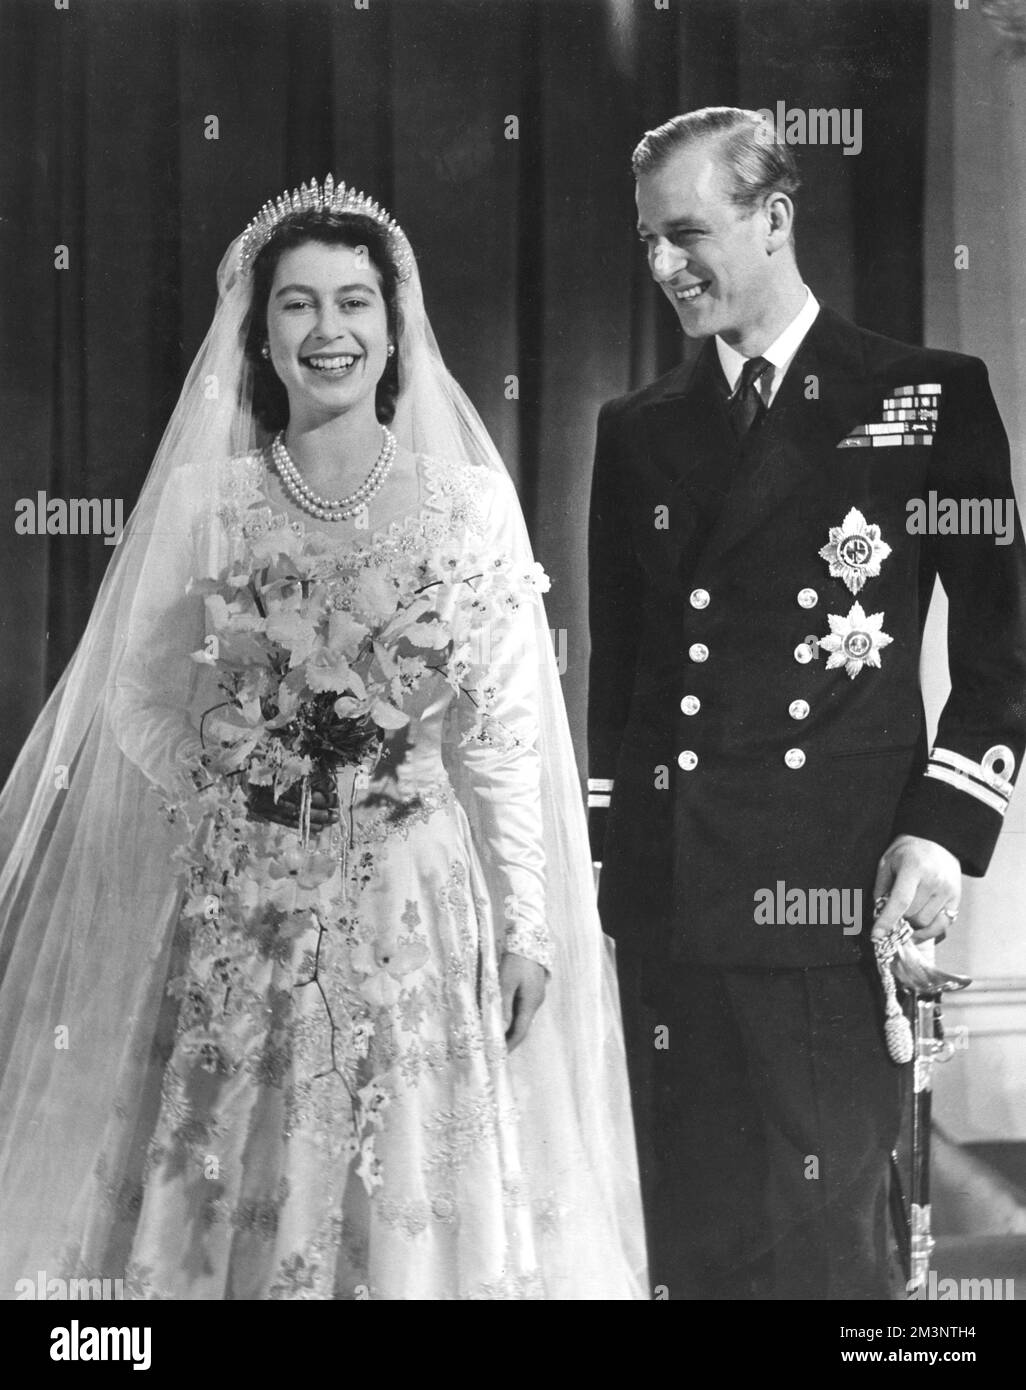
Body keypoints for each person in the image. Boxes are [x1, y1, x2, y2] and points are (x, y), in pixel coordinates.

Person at [0, 178, 646, 1300]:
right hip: (247, 903)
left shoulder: (468, 506)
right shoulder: (212, 499)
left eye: (355, 302)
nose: (328, 331)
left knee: (400, 1194)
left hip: (414, 903)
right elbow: (135, 696)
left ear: (397, 329)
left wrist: (530, 924)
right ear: (260, 333)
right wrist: (233, 785)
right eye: (297, 305)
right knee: (235, 1188)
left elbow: (498, 733)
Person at [587, 108, 1026, 1300]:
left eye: (688, 232)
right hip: (671, 902)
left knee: (831, 1257)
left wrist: (943, 826)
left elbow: (1004, 649)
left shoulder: (923, 398)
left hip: (833, 897)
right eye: (649, 241)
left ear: (775, 216)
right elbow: (620, 694)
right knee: (693, 1243)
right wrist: (599, 882)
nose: (666, 265)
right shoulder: (635, 433)